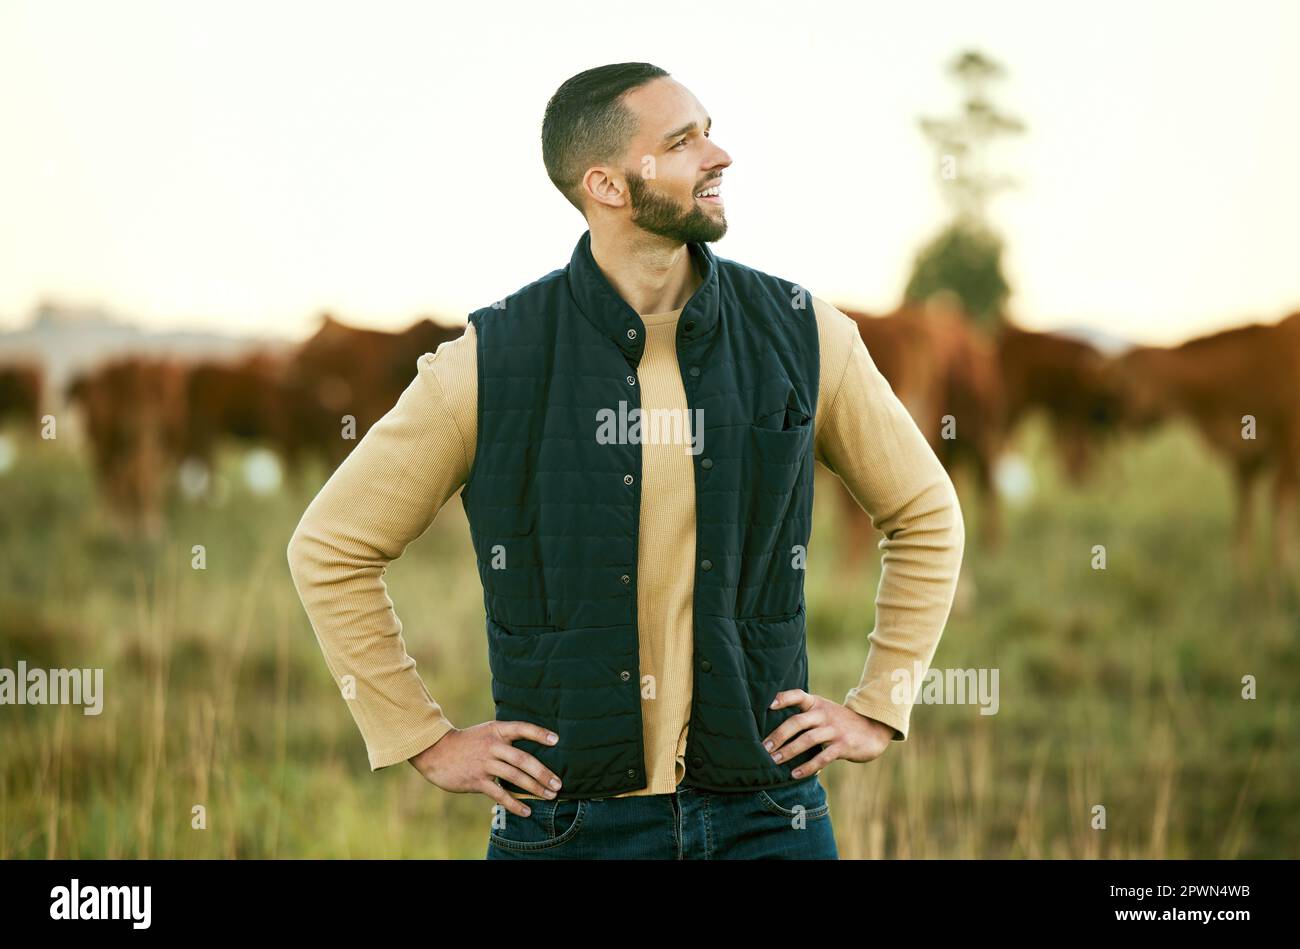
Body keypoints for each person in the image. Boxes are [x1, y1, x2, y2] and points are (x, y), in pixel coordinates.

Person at [287, 62, 965, 859]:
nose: (719, 155)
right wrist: (423, 736)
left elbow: (925, 514)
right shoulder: (492, 360)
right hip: (569, 826)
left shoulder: (805, 333)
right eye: (683, 141)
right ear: (606, 185)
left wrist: (880, 703)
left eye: (709, 131)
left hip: (769, 817)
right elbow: (330, 546)